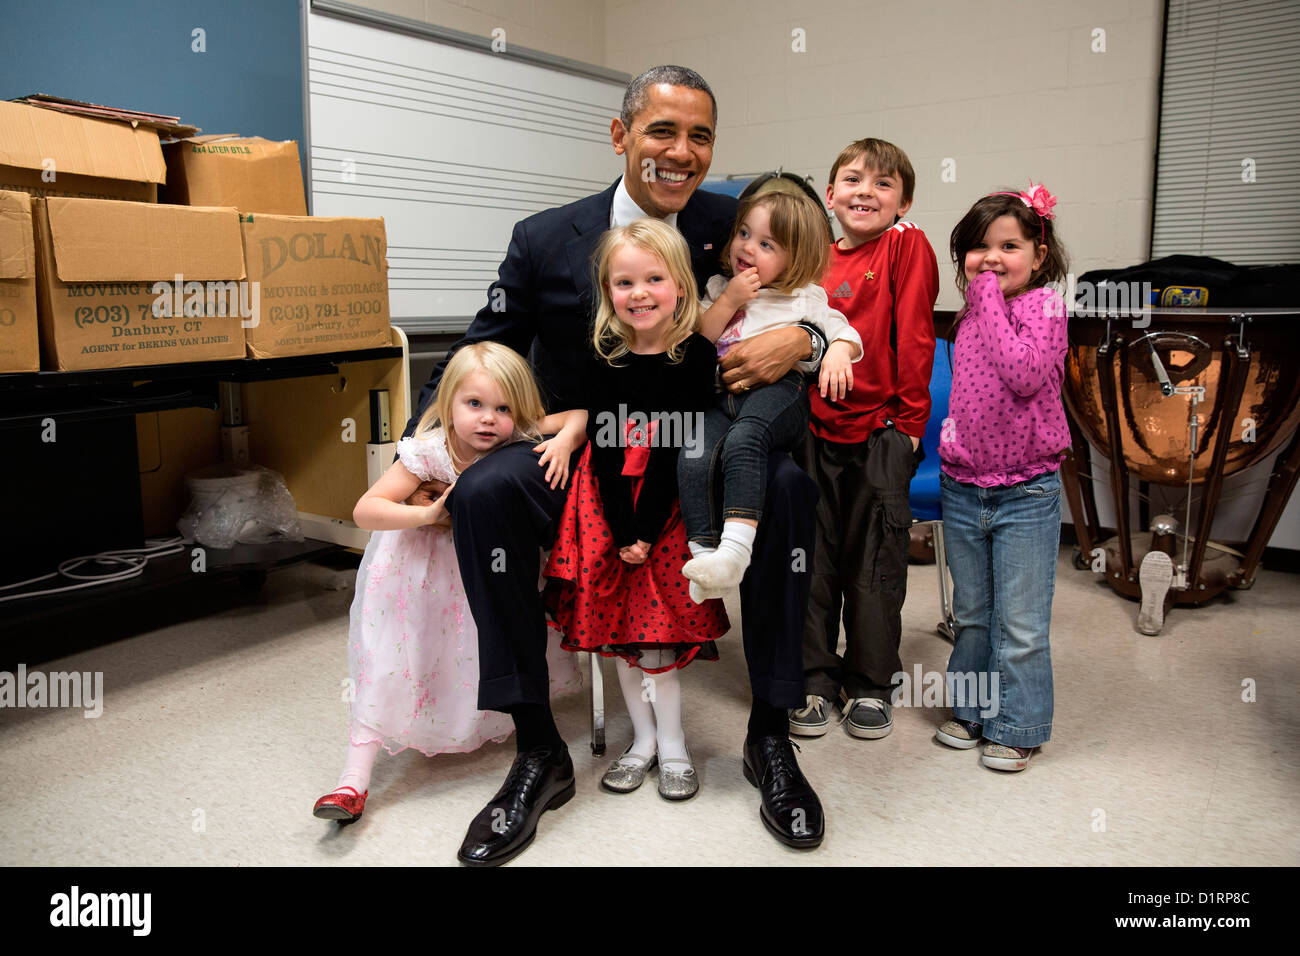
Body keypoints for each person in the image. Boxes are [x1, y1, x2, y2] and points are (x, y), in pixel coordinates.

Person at [402, 65, 826, 865]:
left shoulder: (734, 224)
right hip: (580, 436)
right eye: (662, 131)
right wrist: (415, 439)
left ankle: (771, 735)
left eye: (700, 135)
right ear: (621, 135)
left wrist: (806, 338)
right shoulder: (543, 236)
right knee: (487, 491)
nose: (682, 151)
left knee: (788, 490)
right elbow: (484, 339)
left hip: (700, 437)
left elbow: (805, 290)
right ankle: (537, 749)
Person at [312, 343, 586, 823]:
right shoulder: (428, 451)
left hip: (467, 578)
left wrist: (563, 440)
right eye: (474, 405)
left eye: (503, 409)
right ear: (448, 404)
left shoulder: (516, 439)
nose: (488, 420)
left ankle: (484, 727)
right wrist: (425, 514)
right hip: (412, 577)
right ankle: (352, 780)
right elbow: (364, 509)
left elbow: (578, 415)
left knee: (460, 653)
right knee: (394, 658)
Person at [544, 218, 729, 800]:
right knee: (623, 637)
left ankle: (673, 744)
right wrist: (623, 529)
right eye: (624, 283)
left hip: (667, 513)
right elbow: (602, 450)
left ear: (680, 286)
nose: (640, 293)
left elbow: (678, 450)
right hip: (609, 512)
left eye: (654, 279)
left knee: (658, 642)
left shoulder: (695, 357)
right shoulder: (602, 359)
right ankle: (641, 742)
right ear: (608, 292)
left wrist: (646, 530)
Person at [790, 138, 940, 741]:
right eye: (852, 180)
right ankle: (814, 679)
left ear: (904, 202)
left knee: (874, 563)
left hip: (881, 429)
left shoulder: (906, 246)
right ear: (829, 195)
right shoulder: (810, 259)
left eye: (883, 184)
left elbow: (917, 336)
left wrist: (907, 427)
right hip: (812, 431)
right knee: (813, 562)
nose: (865, 192)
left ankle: (873, 682)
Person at [934, 183, 1070, 772]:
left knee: (1020, 622)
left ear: (1039, 255)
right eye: (978, 248)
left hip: (1027, 490)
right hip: (965, 487)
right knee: (972, 614)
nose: (990, 259)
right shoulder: (969, 318)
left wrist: (986, 296)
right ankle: (971, 709)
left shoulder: (1045, 309)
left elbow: (1023, 373)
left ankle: (1018, 725)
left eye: (1008, 246)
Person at [678, 190, 862, 601]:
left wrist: (837, 353)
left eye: (766, 244)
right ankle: (706, 557)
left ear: (794, 259)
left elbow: (844, 331)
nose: (747, 247)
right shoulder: (718, 286)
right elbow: (701, 342)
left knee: (746, 441)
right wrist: (728, 299)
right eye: (744, 233)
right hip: (721, 397)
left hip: (779, 393)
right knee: (693, 450)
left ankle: (736, 551)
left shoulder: (804, 297)